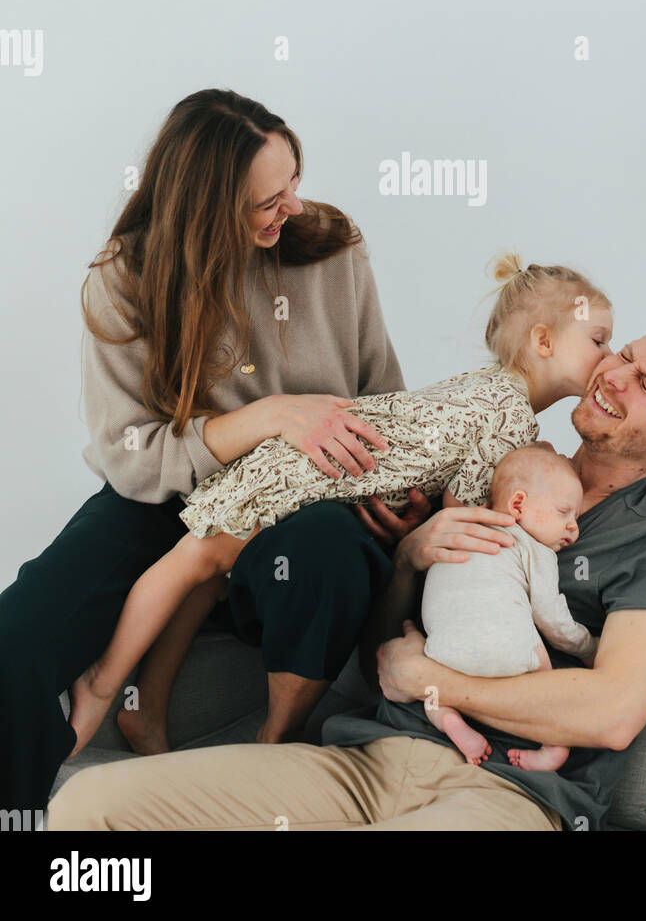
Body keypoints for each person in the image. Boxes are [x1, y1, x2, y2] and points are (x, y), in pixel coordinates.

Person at [46, 308, 646, 832]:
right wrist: (410, 559)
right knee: (88, 810)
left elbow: (613, 714)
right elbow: (381, 648)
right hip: (366, 760)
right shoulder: (504, 465)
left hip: (506, 797)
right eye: (625, 355)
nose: (614, 377)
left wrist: (434, 681)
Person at [0, 87, 407, 816]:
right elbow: (134, 458)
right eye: (266, 202)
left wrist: (391, 481)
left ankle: (272, 751)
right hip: (166, 497)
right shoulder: (123, 281)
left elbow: (382, 396)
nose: (293, 209)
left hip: (301, 500)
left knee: (325, 556)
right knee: (15, 643)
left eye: (293, 184)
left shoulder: (331, 246)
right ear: (204, 210)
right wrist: (269, 415)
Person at [66, 256, 613, 758]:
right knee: (194, 562)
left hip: (312, 461)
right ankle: (104, 683)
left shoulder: (491, 389)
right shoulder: (512, 416)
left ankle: (147, 707)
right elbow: (462, 511)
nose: (607, 358)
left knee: (202, 567)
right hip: (314, 470)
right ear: (544, 340)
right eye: (599, 340)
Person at [421, 445, 596, 770]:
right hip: (509, 649)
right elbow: (551, 618)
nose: (574, 526)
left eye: (576, 517)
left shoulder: (462, 529)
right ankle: (554, 748)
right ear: (517, 504)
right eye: (564, 512)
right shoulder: (535, 549)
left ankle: (450, 722)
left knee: (430, 692)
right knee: (550, 685)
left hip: (442, 652)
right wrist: (588, 647)